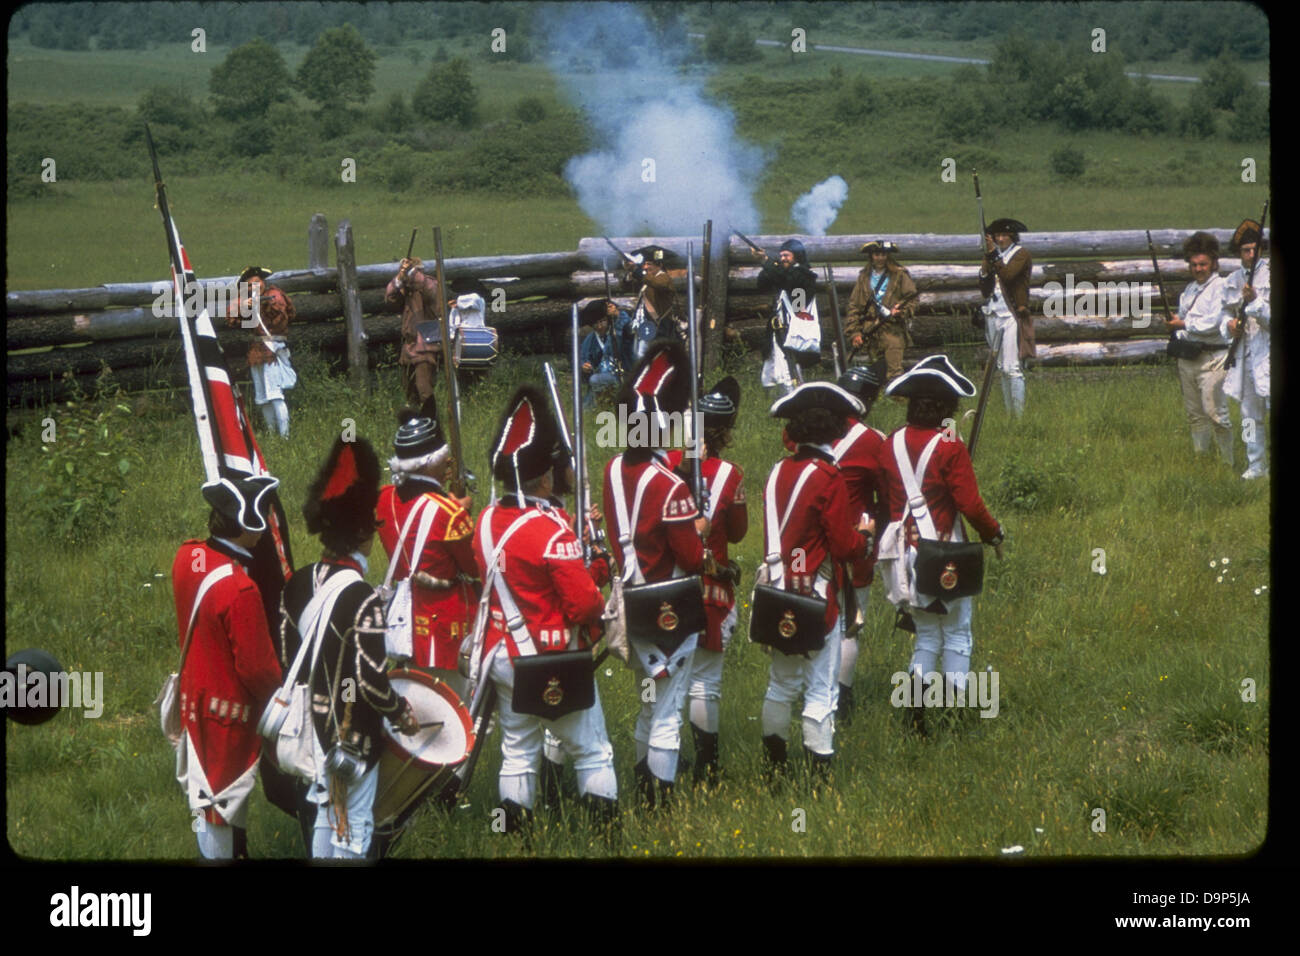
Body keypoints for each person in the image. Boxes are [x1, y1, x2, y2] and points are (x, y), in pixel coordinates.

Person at [473, 385, 618, 832]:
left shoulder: (486, 520)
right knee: (592, 749)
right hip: (548, 655)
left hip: (501, 654)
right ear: (544, 478)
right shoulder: (553, 532)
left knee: (517, 750)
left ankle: (514, 836)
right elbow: (584, 606)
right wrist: (597, 571)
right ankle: (604, 837)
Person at [279, 436, 420, 860]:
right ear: (362, 536)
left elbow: (290, 662)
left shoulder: (297, 585)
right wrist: (400, 712)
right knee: (354, 826)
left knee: (326, 813)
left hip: (307, 727)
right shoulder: (362, 597)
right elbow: (371, 681)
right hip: (351, 732)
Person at [603, 339, 709, 805]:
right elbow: (691, 556)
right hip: (667, 609)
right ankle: (658, 805)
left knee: (649, 702)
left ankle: (643, 784)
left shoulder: (609, 470)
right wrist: (700, 527)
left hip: (628, 600)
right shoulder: (670, 486)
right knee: (667, 711)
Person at [879, 356, 1004, 736]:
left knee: (927, 636)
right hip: (945, 552)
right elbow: (969, 505)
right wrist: (993, 533)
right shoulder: (950, 445)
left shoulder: (890, 443)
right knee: (958, 634)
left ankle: (916, 718)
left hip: (906, 553)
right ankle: (953, 720)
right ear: (946, 407)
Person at [760, 382, 873, 784]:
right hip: (815, 597)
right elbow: (843, 546)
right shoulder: (828, 477)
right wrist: (867, 536)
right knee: (821, 691)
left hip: (775, 593)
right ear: (834, 434)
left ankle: (774, 772)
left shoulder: (776, 471)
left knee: (780, 683)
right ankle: (818, 781)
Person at [172, 473, 285, 859]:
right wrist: (285, 699)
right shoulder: (240, 589)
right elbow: (258, 670)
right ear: (249, 529)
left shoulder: (188, 556)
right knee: (219, 804)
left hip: (194, 698)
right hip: (227, 713)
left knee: (210, 801)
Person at [668, 377, 747, 786]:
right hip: (710, 588)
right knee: (705, 684)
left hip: (669, 591)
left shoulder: (667, 465)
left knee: (672, 683)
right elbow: (736, 534)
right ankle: (707, 768)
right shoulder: (731, 474)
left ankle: (668, 760)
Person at [375, 399, 479, 697]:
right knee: (457, 712)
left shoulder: (383, 498)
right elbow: (473, 568)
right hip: (447, 629)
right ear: (429, 462)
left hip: (403, 623)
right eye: (443, 457)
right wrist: (463, 513)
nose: (449, 462)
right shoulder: (449, 513)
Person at [830, 365, 888, 726]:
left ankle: (814, 689)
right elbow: (887, 490)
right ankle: (842, 696)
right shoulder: (871, 441)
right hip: (854, 538)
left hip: (812, 544)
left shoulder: (811, 429)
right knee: (850, 622)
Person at [1168, 231, 1233, 465]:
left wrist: (1183, 324)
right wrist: (1177, 322)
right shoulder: (1189, 290)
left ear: (1213, 263)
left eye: (1203, 264)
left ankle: (1228, 463)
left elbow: (1213, 323)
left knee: (1217, 415)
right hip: (1188, 357)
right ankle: (1201, 462)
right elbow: (1183, 318)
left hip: (1213, 357)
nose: (1198, 269)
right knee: (1195, 415)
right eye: (1194, 264)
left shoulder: (1222, 287)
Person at [1221, 219, 1270, 479]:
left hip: (1270, 355)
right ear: (1238, 252)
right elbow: (1223, 316)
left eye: (1255, 249)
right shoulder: (1231, 281)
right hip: (1244, 356)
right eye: (1245, 250)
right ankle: (1256, 464)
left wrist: (1256, 302)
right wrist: (1228, 326)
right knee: (1249, 416)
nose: (1251, 254)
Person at [226, 265, 296, 438]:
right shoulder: (246, 299)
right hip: (256, 352)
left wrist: (264, 302)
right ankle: (273, 436)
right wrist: (244, 306)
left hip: (273, 350)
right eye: (249, 285)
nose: (253, 287)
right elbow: (231, 318)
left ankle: (285, 436)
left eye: (256, 283)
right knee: (263, 397)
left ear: (263, 282)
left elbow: (283, 314)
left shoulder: (275, 294)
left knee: (275, 395)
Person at [976, 219, 1034, 418]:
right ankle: (1010, 414)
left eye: (1004, 236)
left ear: (1012, 237)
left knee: (1012, 368)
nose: (1000, 239)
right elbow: (985, 290)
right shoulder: (993, 256)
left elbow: (1008, 275)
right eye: (997, 236)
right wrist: (985, 268)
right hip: (993, 313)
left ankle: (1018, 417)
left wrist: (992, 255)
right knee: (1000, 367)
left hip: (1011, 315)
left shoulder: (1021, 254)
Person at [845, 240, 919, 388]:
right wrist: (855, 333)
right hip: (870, 329)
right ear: (871, 256)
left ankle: (898, 399)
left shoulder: (899, 275)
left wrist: (900, 311)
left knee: (894, 372)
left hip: (892, 329)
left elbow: (912, 299)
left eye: (883, 254)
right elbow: (854, 306)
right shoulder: (864, 277)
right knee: (877, 370)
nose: (880, 258)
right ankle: (881, 399)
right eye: (876, 254)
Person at [754, 238, 820, 395]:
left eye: (787, 255)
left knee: (789, 370)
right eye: (781, 255)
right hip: (778, 328)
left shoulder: (803, 274)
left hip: (794, 329)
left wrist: (766, 261)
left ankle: (794, 398)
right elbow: (761, 284)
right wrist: (767, 264)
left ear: (796, 256)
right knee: (771, 370)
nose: (783, 258)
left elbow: (789, 283)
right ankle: (772, 401)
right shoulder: (783, 273)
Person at [386, 256, 444, 408]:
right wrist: (399, 276)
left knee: (424, 391)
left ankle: (432, 422)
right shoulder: (406, 290)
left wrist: (411, 271)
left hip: (425, 345)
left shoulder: (430, 284)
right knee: (410, 394)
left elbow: (426, 287)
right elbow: (390, 297)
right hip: (409, 347)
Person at [621, 245, 686, 359]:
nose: (645, 267)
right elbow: (626, 286)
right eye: (644, 264)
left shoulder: (663, 278)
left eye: (649, 264)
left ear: (659, 265)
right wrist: (630, 270)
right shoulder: (648, 280)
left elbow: (658, 284)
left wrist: (637, 270)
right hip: (645, 326)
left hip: (659, 327)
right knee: (639, 356)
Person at [579, 299, 628, 407]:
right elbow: (583, 358)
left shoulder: (618, 331)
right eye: (595, 323)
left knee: (595, 380)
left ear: (608, 320)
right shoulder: (590, 339)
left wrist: (618, 314)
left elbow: (628, 326)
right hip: (601, 378)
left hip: (623, 376)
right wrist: (584, 365)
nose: (599, 326)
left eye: (602, 321)